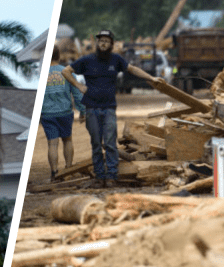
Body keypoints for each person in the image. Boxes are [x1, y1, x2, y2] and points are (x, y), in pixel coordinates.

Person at [62, 29, 163, 188]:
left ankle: (111, 176)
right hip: (92, 108)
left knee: (110, 143)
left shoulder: (116, 60)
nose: (103, 43)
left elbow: (133, 69)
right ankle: (99, 177)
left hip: (109, 108)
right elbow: (66, 71)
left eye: (106, 41)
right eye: (101, 40)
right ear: (97, 43)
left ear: (111, 44)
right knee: (96, 143)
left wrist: (151, 78)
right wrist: (78, 85)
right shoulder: (87, 60)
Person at [39, 45, 85, 182]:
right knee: (67, 140)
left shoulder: (41, 74)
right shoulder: (67, 72)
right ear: (59, 56)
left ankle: (54, 173)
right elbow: (77, 93)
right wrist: (82, 110)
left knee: (52, 144)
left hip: (47, 113)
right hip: (65, 112)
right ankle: (69, 170)